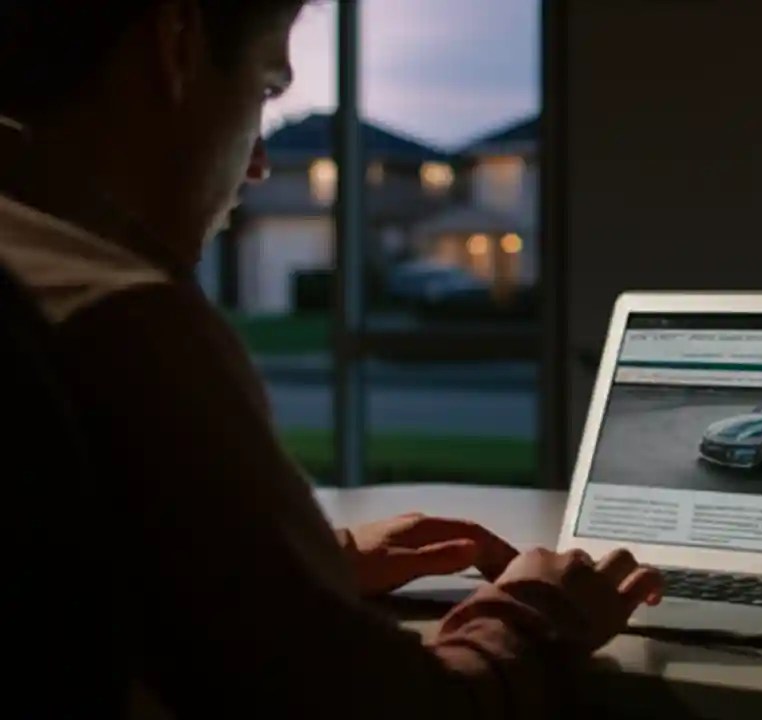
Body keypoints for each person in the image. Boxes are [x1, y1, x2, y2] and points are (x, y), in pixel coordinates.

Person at [0, 1, 662, 717]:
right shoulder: (117, 318)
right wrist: (538, 612)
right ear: (177, 43)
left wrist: (282, 566)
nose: (259, 162)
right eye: (264, 89)